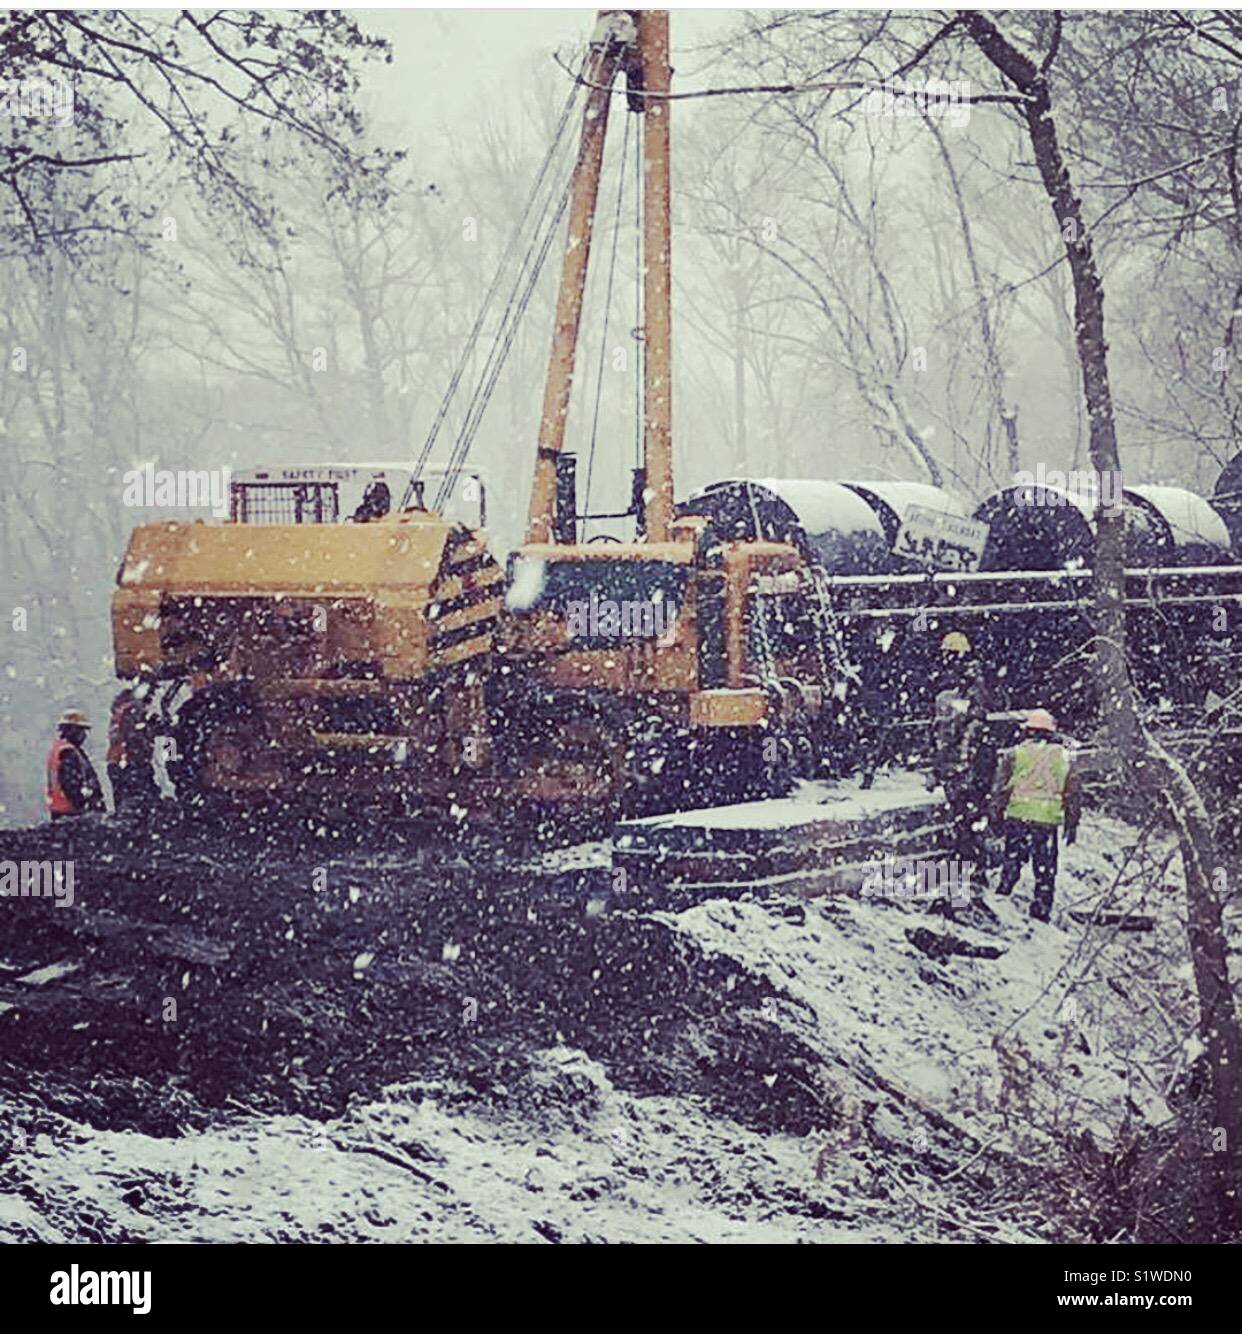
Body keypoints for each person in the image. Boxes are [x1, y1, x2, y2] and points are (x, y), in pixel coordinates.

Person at [989, 707, 1081, 922]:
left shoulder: (1014, 754)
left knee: (1012, 861)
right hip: (1046, 822)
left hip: (1018, 817)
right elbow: (1073, 792)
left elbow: (1000, 788)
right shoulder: (1065, 757)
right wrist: (1072, 822)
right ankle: (1040, 912)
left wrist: (995, 812)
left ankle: (1003, 900)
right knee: (1045, 871)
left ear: (1027, 731)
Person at [929, 631, 992, 874]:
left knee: (965, 818)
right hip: (964, 766)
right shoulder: (968, 685)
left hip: (963, 767)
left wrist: (948, 765)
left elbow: (954, 732)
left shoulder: (965, 689)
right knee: (967, 818)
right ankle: (971, 867)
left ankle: (966, 869)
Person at [46, 708, 106, 820]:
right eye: (81, 730)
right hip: (72, 813)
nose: (84, 735)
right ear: (71, 730)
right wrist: (86, 803)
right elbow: (71, 783)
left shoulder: (58, 749)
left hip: (59, 810)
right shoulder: (68, 752)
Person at [107, 687, 159, 812]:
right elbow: (137, 738)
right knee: (141, 804)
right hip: (131, 763)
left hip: (118, 762)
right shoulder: (133, 710)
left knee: (125, 803)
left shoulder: (119, 713)